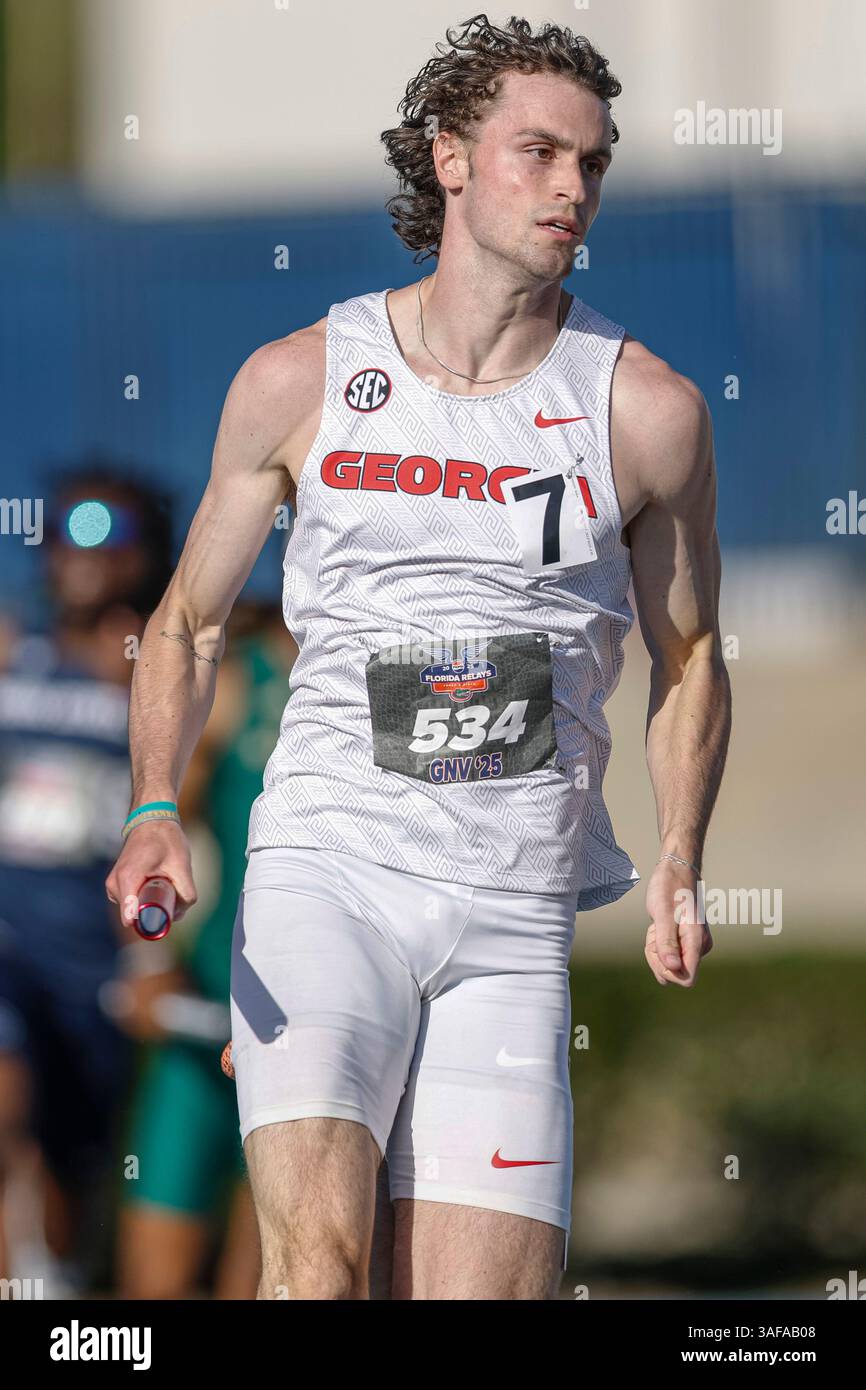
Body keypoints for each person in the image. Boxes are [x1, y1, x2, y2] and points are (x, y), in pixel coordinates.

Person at [106, 15, 732, 1301]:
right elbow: (183, 621)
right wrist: (157, 805)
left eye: (593, 163)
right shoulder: (301, 379)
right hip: (328, 868)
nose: (572, 188)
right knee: (316, 1276)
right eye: (539, 152)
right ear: (448, 158)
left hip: (511, 906)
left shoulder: (644, 409)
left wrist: (677, 858)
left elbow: (691, 652)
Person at [0, 465, 172, 1294]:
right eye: (68, 531)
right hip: (9, 940)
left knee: (70, 1155)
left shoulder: (155, 677)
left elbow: (190, 826)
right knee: (6, 1095)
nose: (86, 553)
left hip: (92, 958)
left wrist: (146, 962)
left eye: (113, 535)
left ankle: (52, 1283)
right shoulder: (9, 653)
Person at [114, 600, 296, 1299]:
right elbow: (153, 837)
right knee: (151, 1283)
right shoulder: (242, 684)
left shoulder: (388, 677)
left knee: (277, 1270)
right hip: (207, 1008)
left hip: (309, 1017)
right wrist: (148, 963)